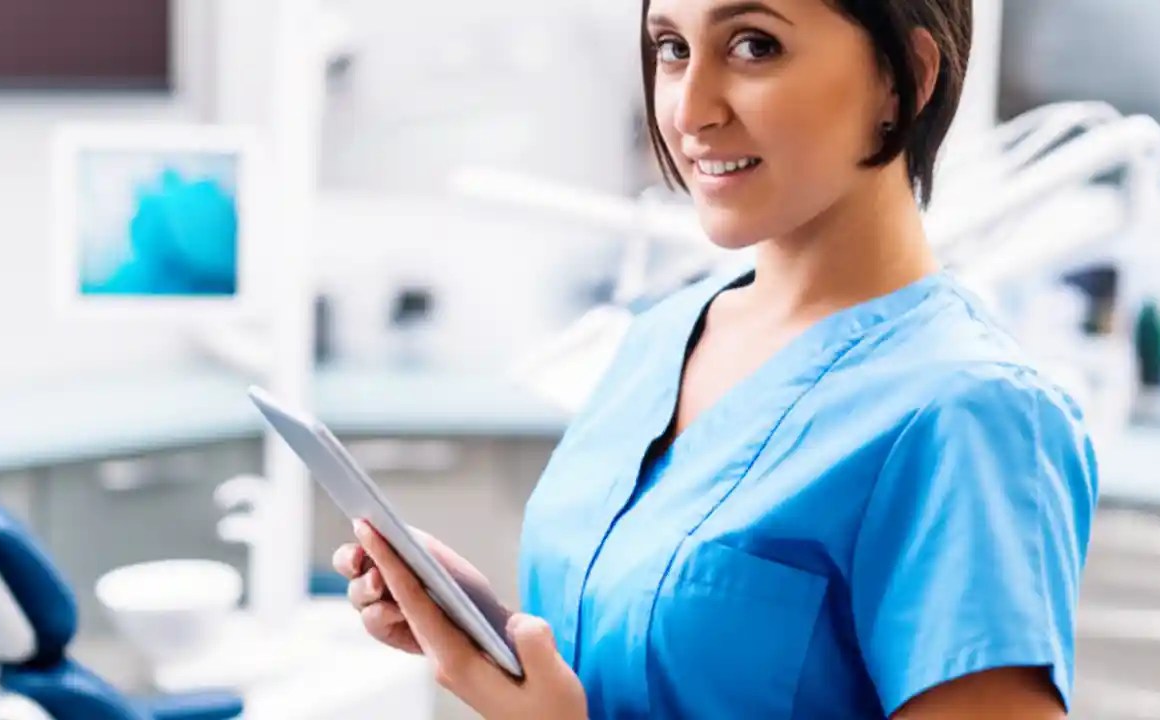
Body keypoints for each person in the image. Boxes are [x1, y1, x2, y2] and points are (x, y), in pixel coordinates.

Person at [334, 0, 1098, 717]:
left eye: (753, 45)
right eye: (671, 48)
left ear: (905, 78)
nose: (690, 110)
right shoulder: (657, 339)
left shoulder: (975, 415)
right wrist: (489, 639)